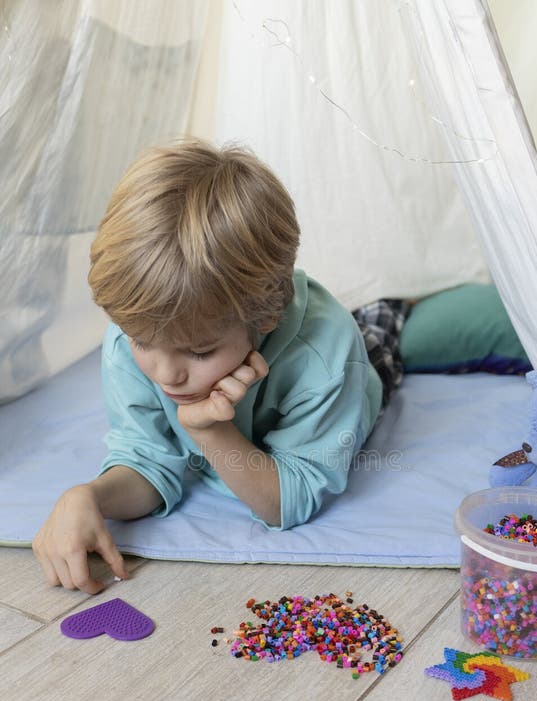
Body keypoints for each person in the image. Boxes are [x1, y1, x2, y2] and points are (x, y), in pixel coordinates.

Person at [33, 139, 405, 593]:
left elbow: (287, 502)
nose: (166, 374)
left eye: (199, 350)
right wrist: (88, 496)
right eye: (143, 341)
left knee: (385, 331)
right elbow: (148, 461)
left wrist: (206, 429)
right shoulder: (139, 326)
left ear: (267, 316)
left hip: (359, 369)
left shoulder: (325, 355)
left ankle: (405, 303)